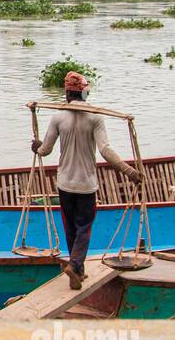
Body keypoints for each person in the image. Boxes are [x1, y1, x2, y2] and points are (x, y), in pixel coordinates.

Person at [31, 72, 143, 290]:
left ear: (67, 93)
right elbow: (105, 150)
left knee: (71, 227)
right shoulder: (95, 118)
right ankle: (75, 265)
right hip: (86, 185)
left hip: (64, 183)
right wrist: (129, 171)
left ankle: (78, 270)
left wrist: (36, 146)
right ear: (84, 91)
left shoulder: (58, 117)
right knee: (85, 227)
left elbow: (45, 150)